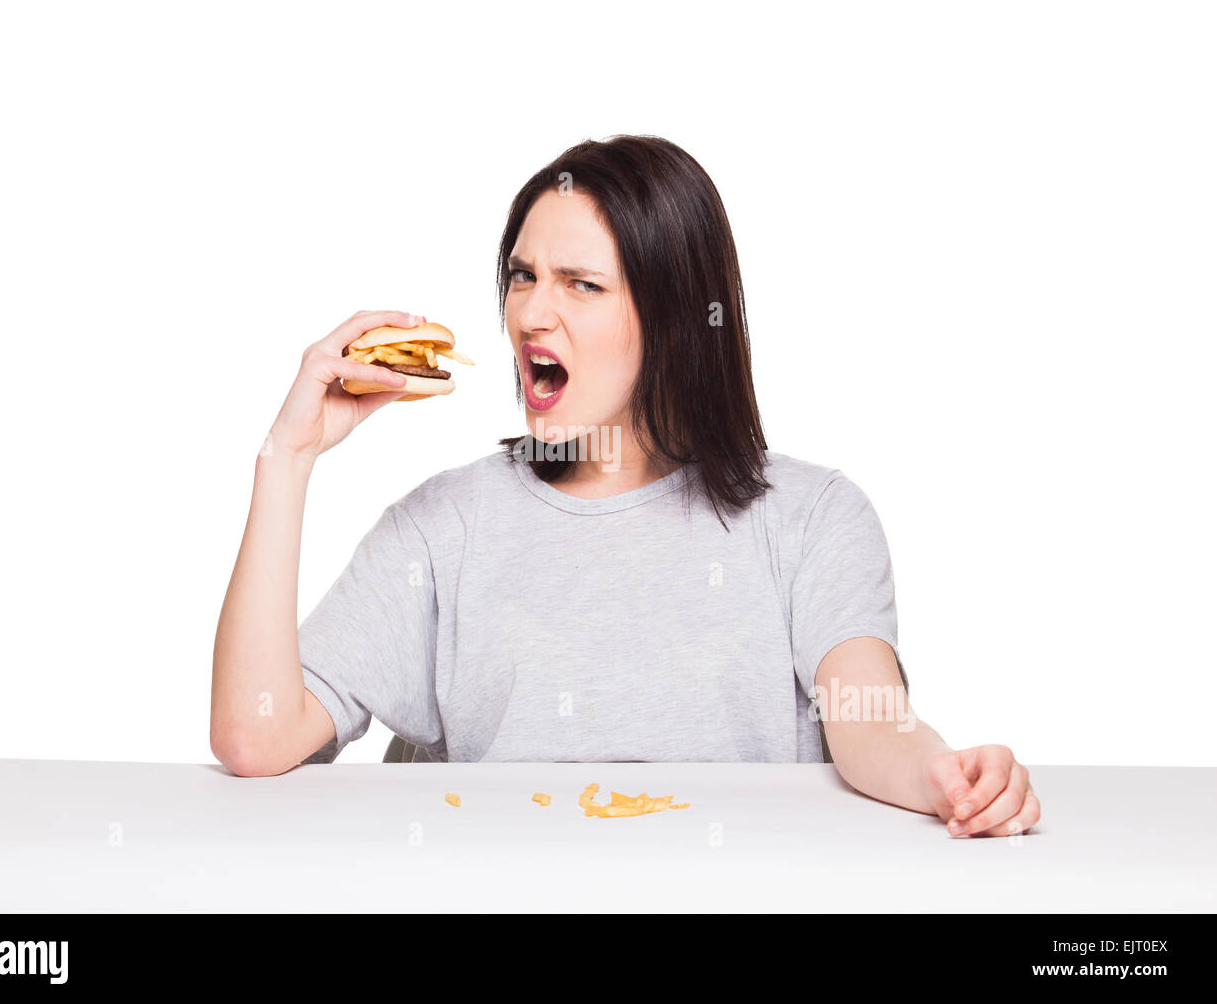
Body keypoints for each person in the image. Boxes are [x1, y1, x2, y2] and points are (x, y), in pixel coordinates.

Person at [211, 135, 1040, 838]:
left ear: (677, 318)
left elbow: (869, 723)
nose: (532, 313)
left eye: (581, 284)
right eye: (522, 274)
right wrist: (287, 458)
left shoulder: (812, 519)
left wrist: (943, 776)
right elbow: (255, 736)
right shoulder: (442, 527)